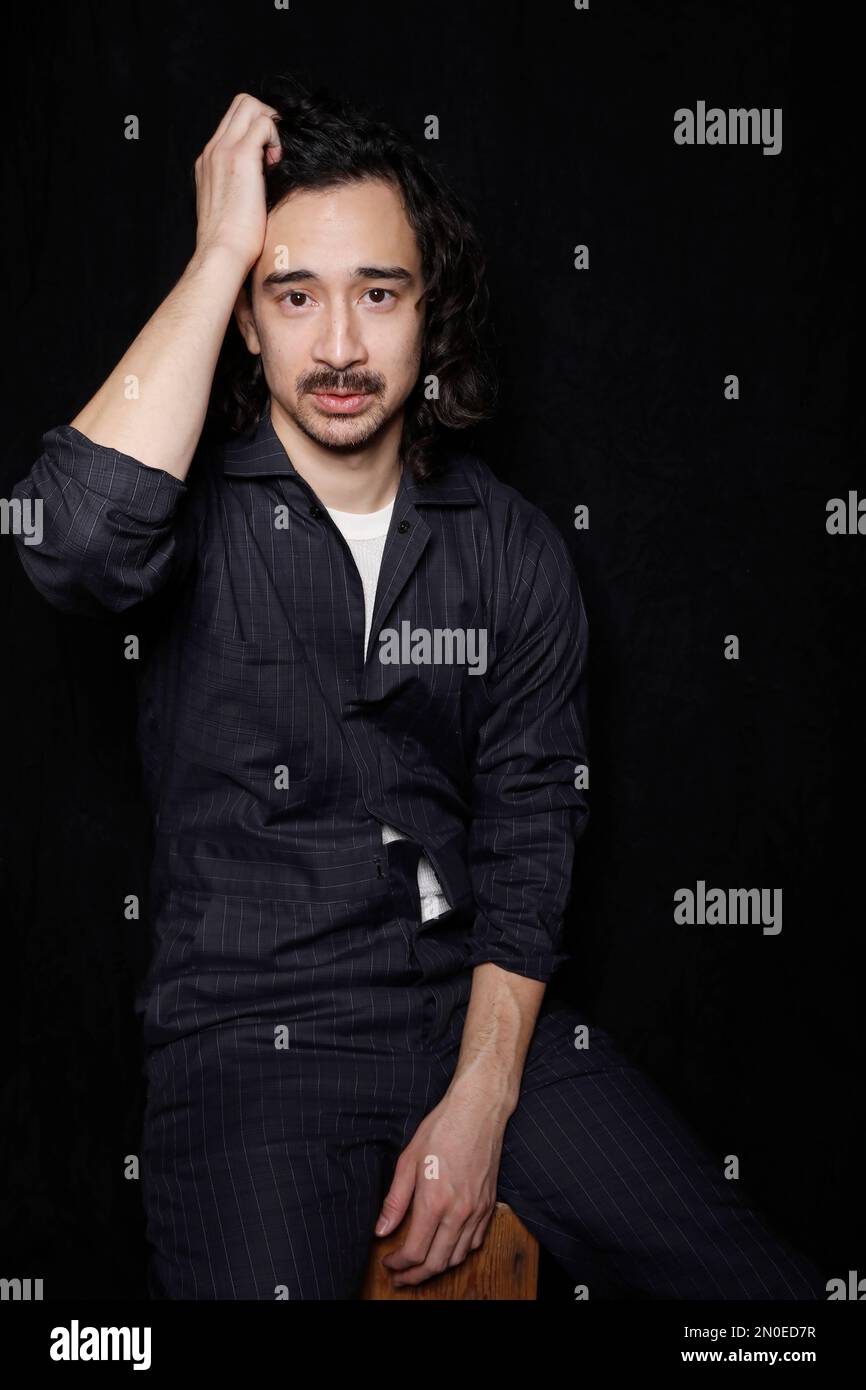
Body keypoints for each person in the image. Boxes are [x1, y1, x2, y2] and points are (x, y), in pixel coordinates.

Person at [10, 77, 826, 1301]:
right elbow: (66, 543)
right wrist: (224, 243)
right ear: (245, 319)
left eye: (377, 294)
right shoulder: (181, 513)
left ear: (427, 309)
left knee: (768, 1308)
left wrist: (480, 1099)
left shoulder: (512, 549)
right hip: (250, 1044)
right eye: (292, 295)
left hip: (473, 1018)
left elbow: (532, 828)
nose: (338, 346)